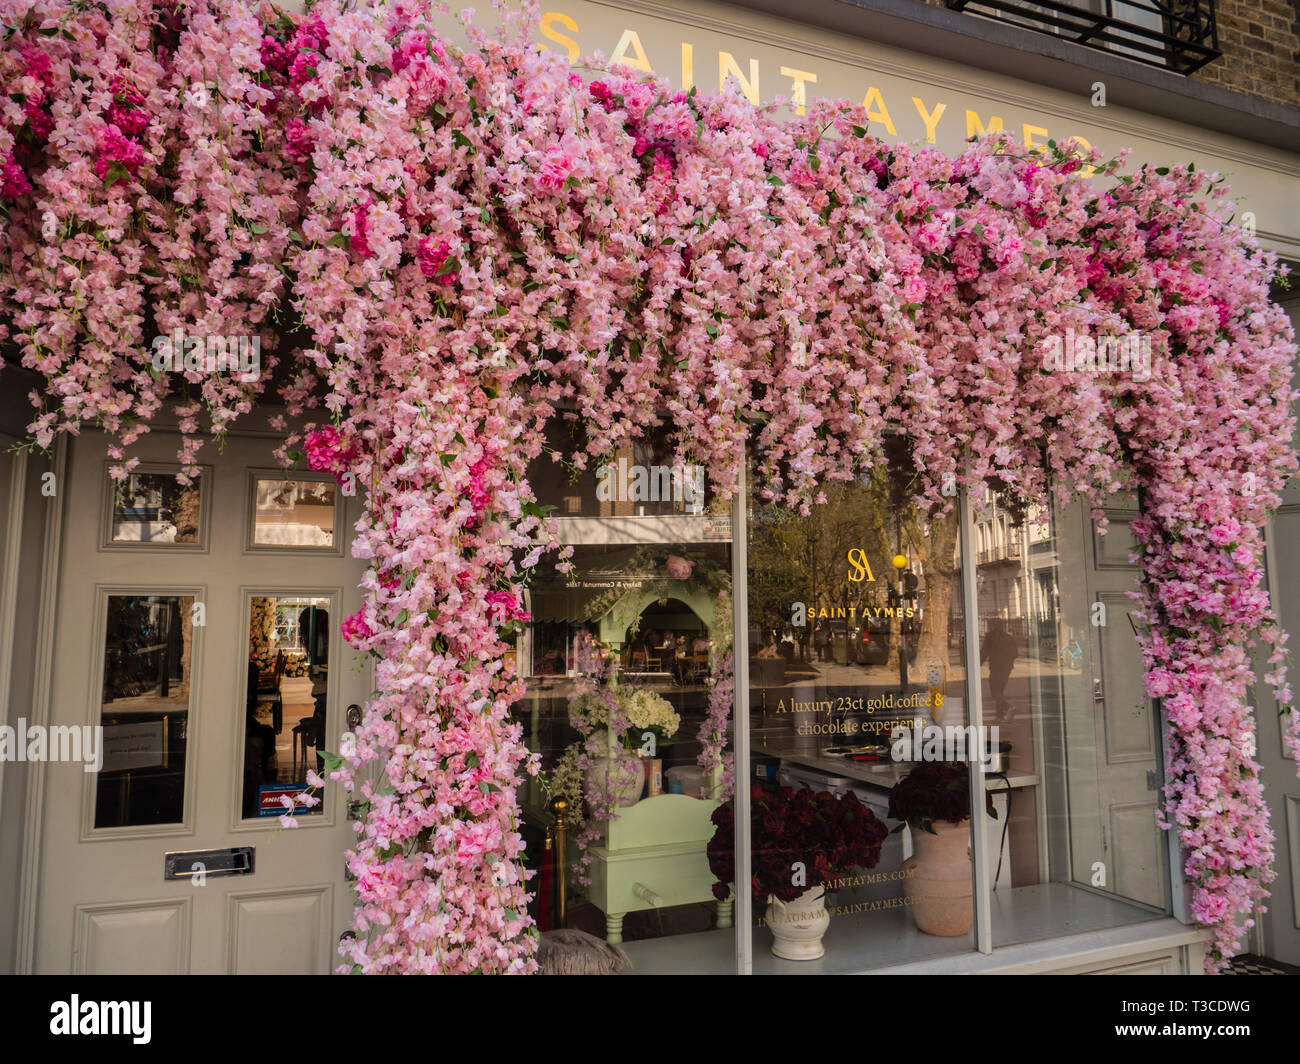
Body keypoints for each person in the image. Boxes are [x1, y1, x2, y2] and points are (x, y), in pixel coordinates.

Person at [981, 618, 1018, 713]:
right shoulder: (1009, 638)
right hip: (1007, 668)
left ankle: (1008, 706)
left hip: (996, 667)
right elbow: (1015, 653)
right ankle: (1000, 714)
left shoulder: (990, 637)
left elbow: (984, 652)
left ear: (992, 626)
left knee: (995, 691)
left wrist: (978, 664)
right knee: (1000, 691)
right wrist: (1008, 661)